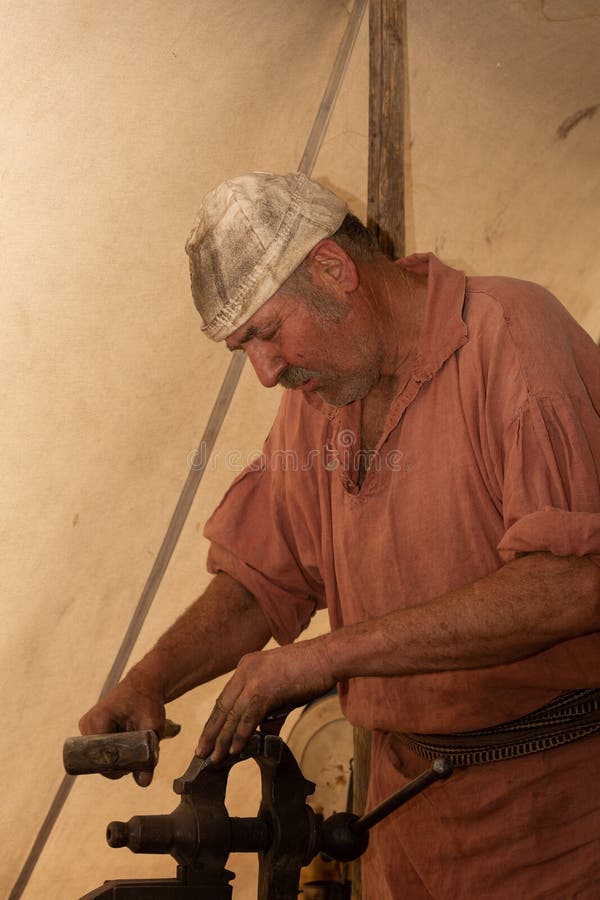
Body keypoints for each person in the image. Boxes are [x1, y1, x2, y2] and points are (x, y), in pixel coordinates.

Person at [80, 172, 600, 899]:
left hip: (557, 821)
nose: (264, 373)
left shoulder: (510, 338)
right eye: (244, 351)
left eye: (265, 333)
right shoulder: (319, 401)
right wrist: (150, 680)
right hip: (403, 816)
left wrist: (321, 659)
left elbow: (571, 583)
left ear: (333, 269)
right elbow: (262, 579)